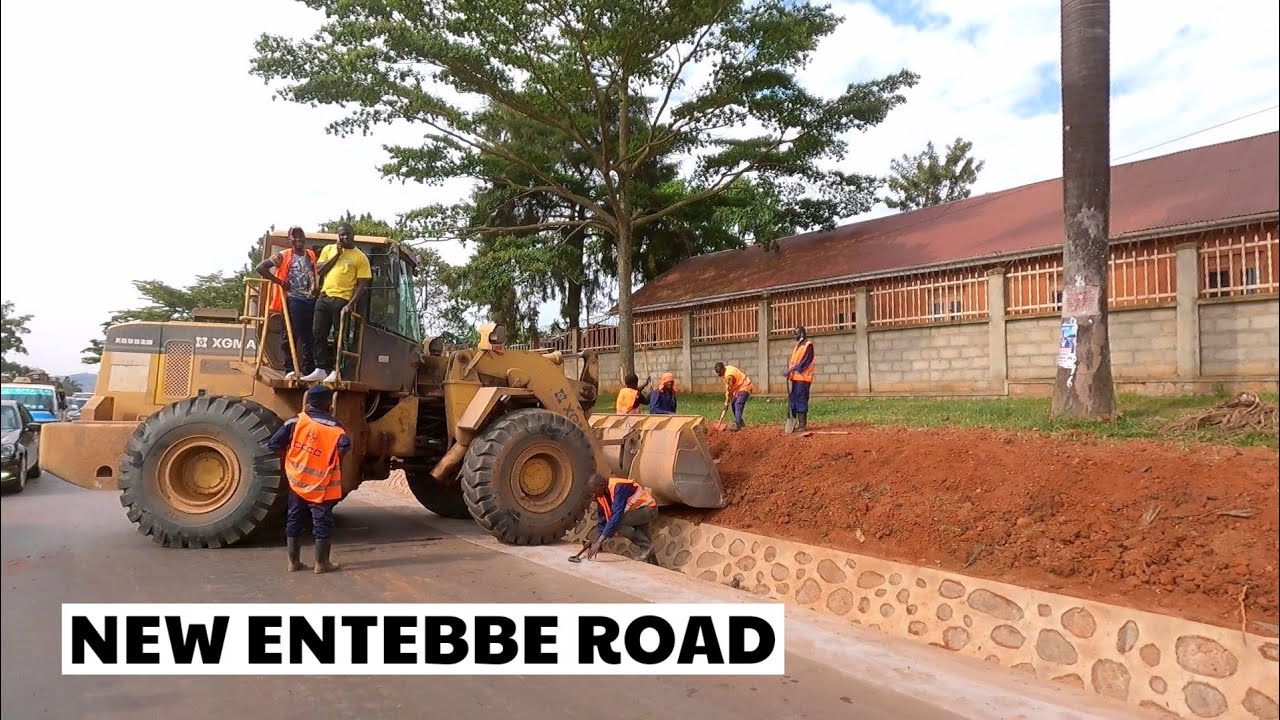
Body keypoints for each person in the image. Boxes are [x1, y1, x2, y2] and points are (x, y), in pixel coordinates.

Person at [267, 385, 351, 574]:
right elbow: (345, 447)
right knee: (321, 521)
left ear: (308, 402)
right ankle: (322, 564)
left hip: (297, 481)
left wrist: (294, 458)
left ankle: (293, 562)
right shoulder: (336, 427)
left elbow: (273, 444)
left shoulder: (296, 421)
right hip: (322, 484)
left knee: (294, 518)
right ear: (329, 403)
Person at [302, 222, 372, 383]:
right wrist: (337, 255)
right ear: (337, 236)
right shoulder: (328, 249)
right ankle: (320, 369)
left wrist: (350, 304)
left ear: (353, 235)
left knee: (341, 336)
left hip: (343, 300)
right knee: (318, 333)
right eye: (341, 234)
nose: (344, 237)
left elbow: (363, 284)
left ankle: (337, 370)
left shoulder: (360, 257)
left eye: (347, 234)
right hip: (324, 297)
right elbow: (320, 270)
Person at [256, 226, 318, 379]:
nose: (298, 239)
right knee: (291, 333)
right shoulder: (282, 256)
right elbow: (261, 268)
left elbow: (314, 273)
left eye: (301, 236)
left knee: (309, 335)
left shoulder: (310, 255)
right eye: (294, 236)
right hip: (291, 298)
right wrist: (281, 282)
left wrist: (316, 287)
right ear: (288, 240)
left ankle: (308, 369)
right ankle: (290, 368)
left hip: (309, 299)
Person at [584, 474, 659, 564]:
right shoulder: (601, 496)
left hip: (648, 510)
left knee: (618, 523)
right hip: (636, 511)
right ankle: (654, 564)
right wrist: (594, 540)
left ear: (601, 485)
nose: (593, 495)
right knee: (645, 537)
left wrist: (600, 541)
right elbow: (602, 521)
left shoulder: (619, 487)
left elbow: (616, 516)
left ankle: (648, 548)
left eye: (594, 491)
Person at [784, 325, 816, 431]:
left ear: (802, 334)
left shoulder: (808, 345)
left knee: (801, 399)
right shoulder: (797, 346)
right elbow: (794, 362)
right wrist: (788, 370)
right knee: (793, 399)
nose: (795, 336)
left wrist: (793, 369)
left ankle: (802, 425)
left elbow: (805, 362)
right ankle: (792, 421)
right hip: (796, 378)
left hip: (803, 378)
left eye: (796, 334)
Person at [715, 362, 754, 432]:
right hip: (739, 388)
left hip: (745, 386)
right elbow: (729, 389)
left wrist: (726, 404)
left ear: (723, 369)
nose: (718, 374)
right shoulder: (727, 370)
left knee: (738, 404)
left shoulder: (728, 375)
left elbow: (729, 390)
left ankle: (738, 425)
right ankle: (740, 422)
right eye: (717, 372)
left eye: (719, 372)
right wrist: (727, 403)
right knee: (733, 403)